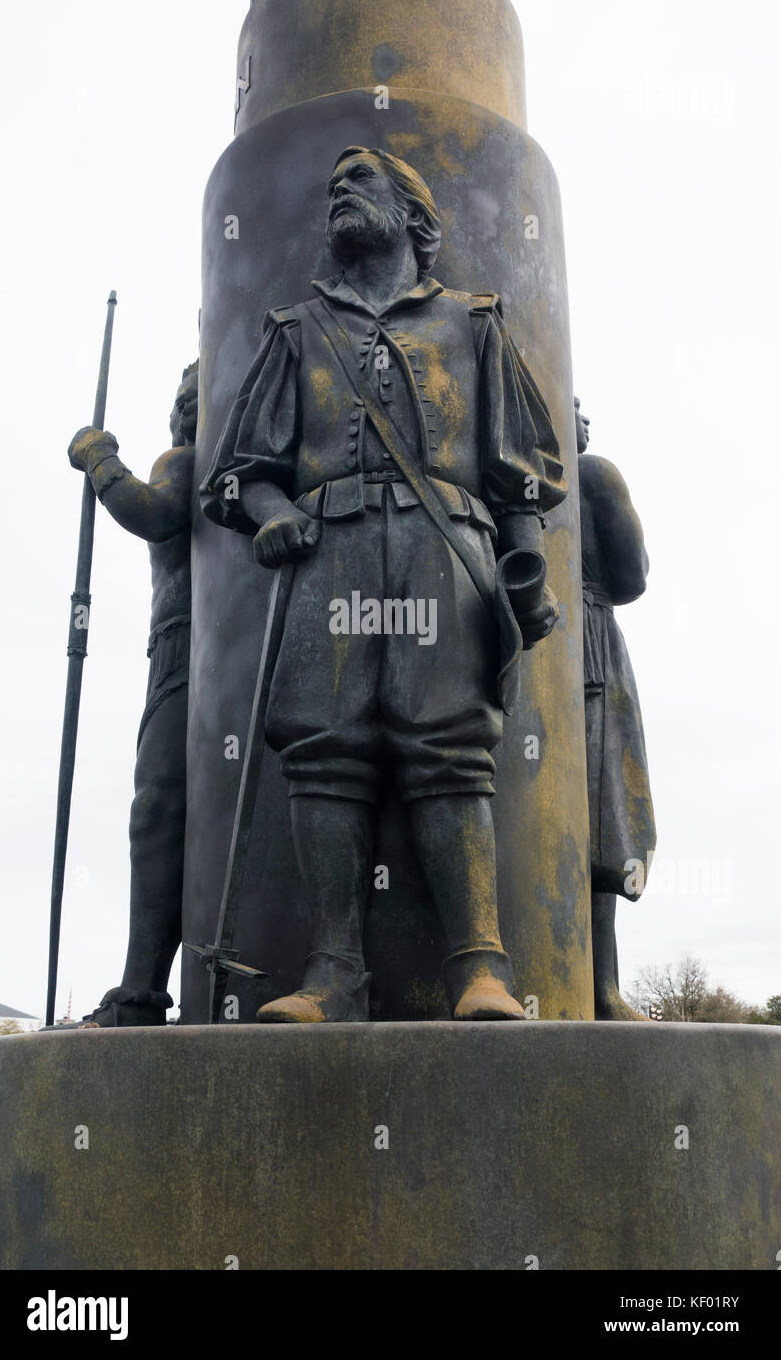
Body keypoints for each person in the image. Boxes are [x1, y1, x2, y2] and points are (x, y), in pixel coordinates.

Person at [201, 146, 568, 1023]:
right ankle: (335, 976)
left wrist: (525, 577)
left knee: (450, 749)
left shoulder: (473, 322)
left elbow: (518, 471)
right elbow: (242, 472)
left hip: (446, 553)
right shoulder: (296, 330)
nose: (338, 194)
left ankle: (480, 967)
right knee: (326, 754)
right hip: (333, 553)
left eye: (358, 182)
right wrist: (271, 510)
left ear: (413, 214)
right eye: (331, 185)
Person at [61, 361, 198, 1027]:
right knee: (160, 811)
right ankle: (143, 985)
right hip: (183, 646)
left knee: (159, 811)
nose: (185, 410)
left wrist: (100, 459)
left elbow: (154, 512)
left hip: (191, 652)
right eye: (183, 400)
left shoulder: (187, 462)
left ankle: (142, 989)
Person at [576, 396, 656, 1021]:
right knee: (599, 817)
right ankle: (601, 987)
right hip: (580, 644)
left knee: (600, 820)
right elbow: (632, 576)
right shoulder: (592, 474)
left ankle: (602, 986)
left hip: (525, 643)